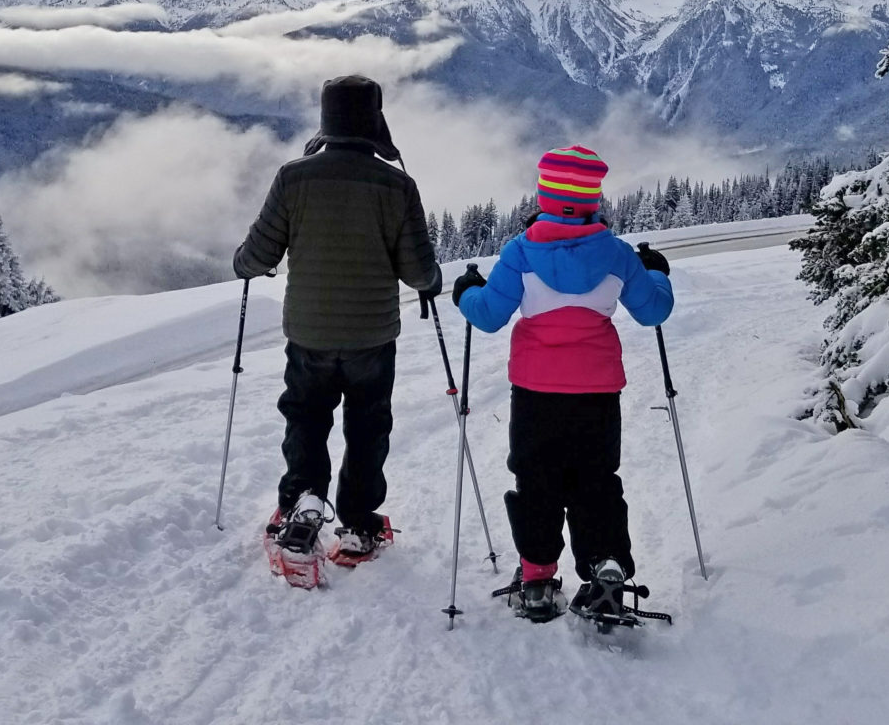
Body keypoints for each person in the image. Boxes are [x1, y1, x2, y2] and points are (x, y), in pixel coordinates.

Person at [451, 145, 673, 622]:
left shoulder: (521, 252)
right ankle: (605, 565)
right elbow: (654, 310)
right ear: (593, 198)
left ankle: (536, 580)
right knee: (596, 481)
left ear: (545, 195)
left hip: (535, 392)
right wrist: (656, 272)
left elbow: (488, 316)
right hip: (597, 392)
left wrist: (466, 292)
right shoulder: (617, 256)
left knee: (536, 482)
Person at [233, 75, 443, 571]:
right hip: (373, 337)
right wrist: (432, 281)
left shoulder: (294, 177)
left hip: (309, 333)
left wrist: (244, 262)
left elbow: (259, 254)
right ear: (375, 122)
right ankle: (357, 523)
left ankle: (302, 507)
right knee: (368, 428)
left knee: (306, 419)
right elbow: (419, 272)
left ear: (326, 120)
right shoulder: (398, 186)